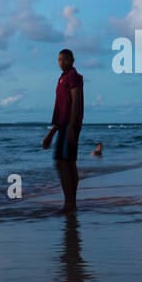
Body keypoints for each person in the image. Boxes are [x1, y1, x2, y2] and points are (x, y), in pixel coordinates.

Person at [41, 49, 84, 211]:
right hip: (63, 126)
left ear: (72, 60)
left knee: (63, 163)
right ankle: (71, 203)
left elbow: (76, 102)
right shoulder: (62, 77)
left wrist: (72, 128)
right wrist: (51, 133)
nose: (61, 62)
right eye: (59, 59)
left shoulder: (72, 75)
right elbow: (62, 110)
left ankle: (69, 203)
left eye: (64, 59)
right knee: (68, 163)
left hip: (69, 126)